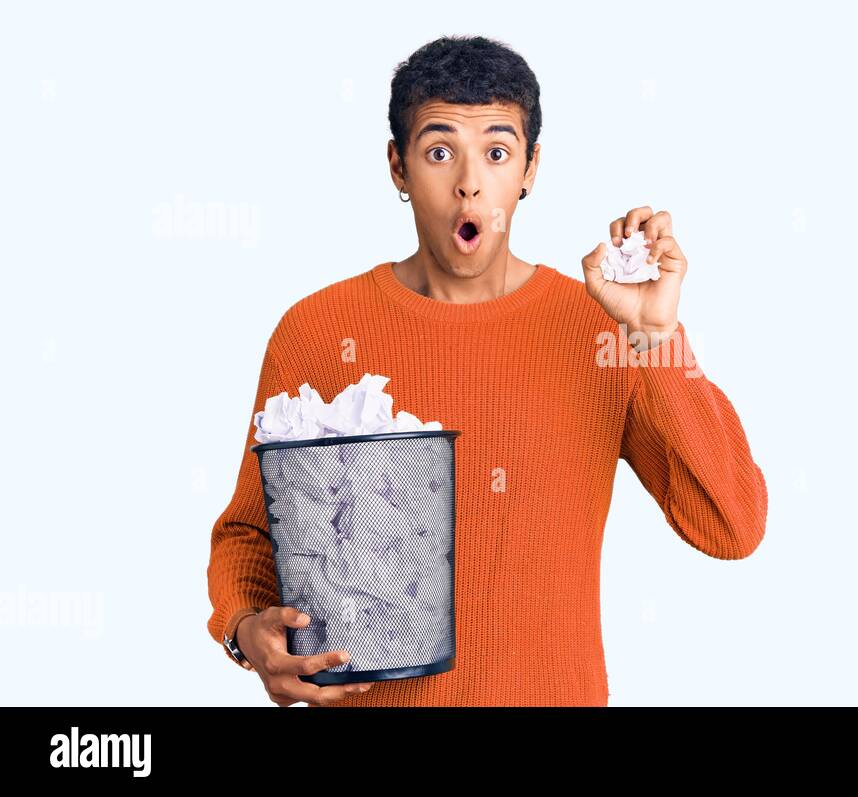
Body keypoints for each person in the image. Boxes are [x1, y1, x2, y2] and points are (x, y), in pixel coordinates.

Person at [206, 34, 767, 707]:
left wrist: (656, 338)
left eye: (497, 152)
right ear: (398, 167)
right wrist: (246, 629)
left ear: (529, 170)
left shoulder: (599, 328)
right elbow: (248, 534)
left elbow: (733, 524)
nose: (469, 182)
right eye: (439, 151)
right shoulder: (317, 333)